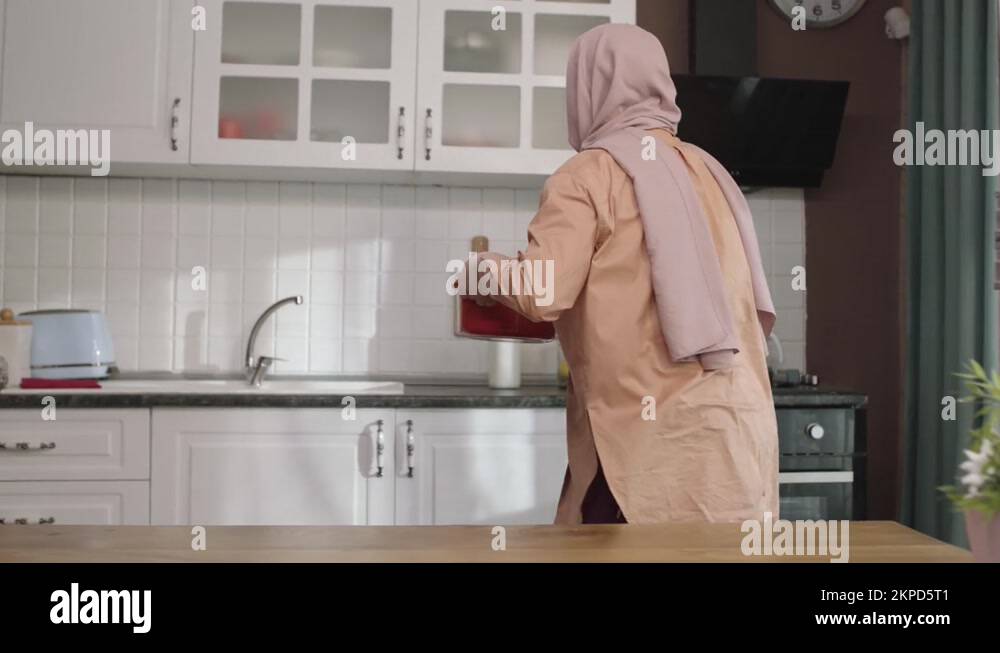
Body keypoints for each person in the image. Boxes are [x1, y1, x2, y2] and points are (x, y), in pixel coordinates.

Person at [476, 24, 779, 524]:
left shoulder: (587, 175)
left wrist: (479, 269)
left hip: (642, 450)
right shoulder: (710, 170)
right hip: (733, 436)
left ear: (587, 90)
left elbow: (541, 291)